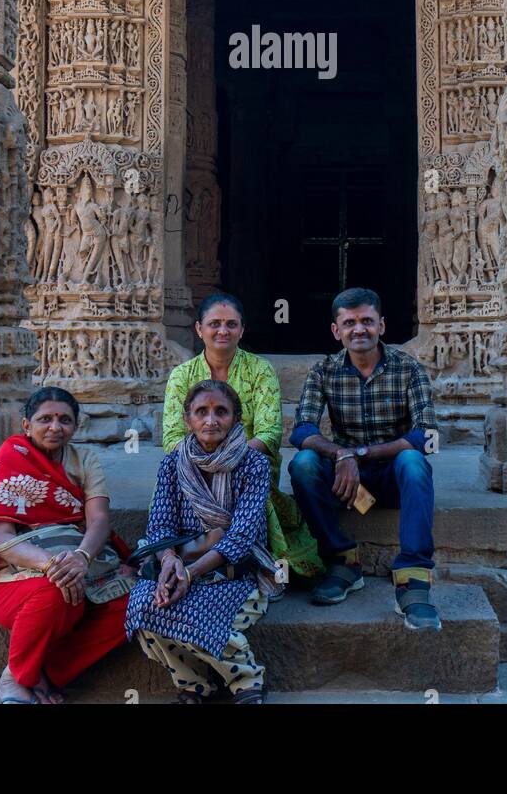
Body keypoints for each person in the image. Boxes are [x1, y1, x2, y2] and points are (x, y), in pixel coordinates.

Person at [288, 288, 441, 631]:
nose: (359, 329)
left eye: (367, 321)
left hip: (390, 480)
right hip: (348, 489)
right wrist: (340, 454)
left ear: (382, 326)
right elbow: (301, 430)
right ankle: (342, 561)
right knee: (304, 464)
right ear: (336, 330)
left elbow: (427, 437)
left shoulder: (408, 369)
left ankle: (413, 578)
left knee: (414, 462)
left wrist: (357, 454)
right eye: (350, 323)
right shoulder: (324, 371)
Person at [0, 387, 133, 704]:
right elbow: (0, 540)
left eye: (64, 420)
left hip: (79, 563)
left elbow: (99, 519)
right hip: (13, 577)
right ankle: (15, 680)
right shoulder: (9, 460)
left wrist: (83, 557)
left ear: (76, 425)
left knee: (139, 601)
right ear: (26, 425)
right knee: (54, 590)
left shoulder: (84, 459)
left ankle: (47, 672)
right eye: (45, 419)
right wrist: (52, 565)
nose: (55, 427)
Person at [127, 379, 274, 703]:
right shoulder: (173, 463)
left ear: (235, 418)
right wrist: (169, 563)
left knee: (200, 612)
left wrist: (190, 575)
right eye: (201, 412)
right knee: (144, 607)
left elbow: (241, 536)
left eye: (221, 412)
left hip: (236, 570)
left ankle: (247, 681)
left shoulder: (254, 464)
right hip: (181, 562)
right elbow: (160, 524)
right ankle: (193, 684)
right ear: (187, 419)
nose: (211, 420)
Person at [163, 292, 321, 581]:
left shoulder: (260, 370)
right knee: (167, 485)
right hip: (193, 471)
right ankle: (179, 559)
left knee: (247, 487)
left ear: (242, 330)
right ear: (199, 329)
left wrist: (228, 463)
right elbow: (172, 436)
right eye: (214, 324)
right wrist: (207, 466)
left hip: (248, 468)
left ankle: (227, 562)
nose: (222, 331)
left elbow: (270, 432)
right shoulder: (182, 375)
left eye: (231, 324)